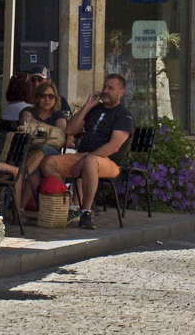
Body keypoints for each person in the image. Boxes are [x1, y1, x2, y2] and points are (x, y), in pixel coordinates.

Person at [38, 73, 133, 230]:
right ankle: (70, 205)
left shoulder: (124, 115)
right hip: (82, 156)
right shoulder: (95, 109)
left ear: (121, 92)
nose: (106, 91)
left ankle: (86, 212)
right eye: (104, 87)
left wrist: (86, 158)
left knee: (90, 162)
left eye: (111, 88)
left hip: (108, 161)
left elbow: (114, 146)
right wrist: (88, 105)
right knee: (48, 162)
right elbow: (70, 129)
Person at [15, 80, 69, 212]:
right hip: (29, 152)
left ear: (55, 99)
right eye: (43, 96)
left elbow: (62, 132)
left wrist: (37, 125)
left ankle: (19, 175)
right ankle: (19, 210)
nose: (47, 99)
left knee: (42, 149)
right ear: (37, 98)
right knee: (35, 174)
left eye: (51, 96)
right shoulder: (28, 110)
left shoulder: (58, 114)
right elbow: (27, 121)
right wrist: (50, 129)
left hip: (52, 155)